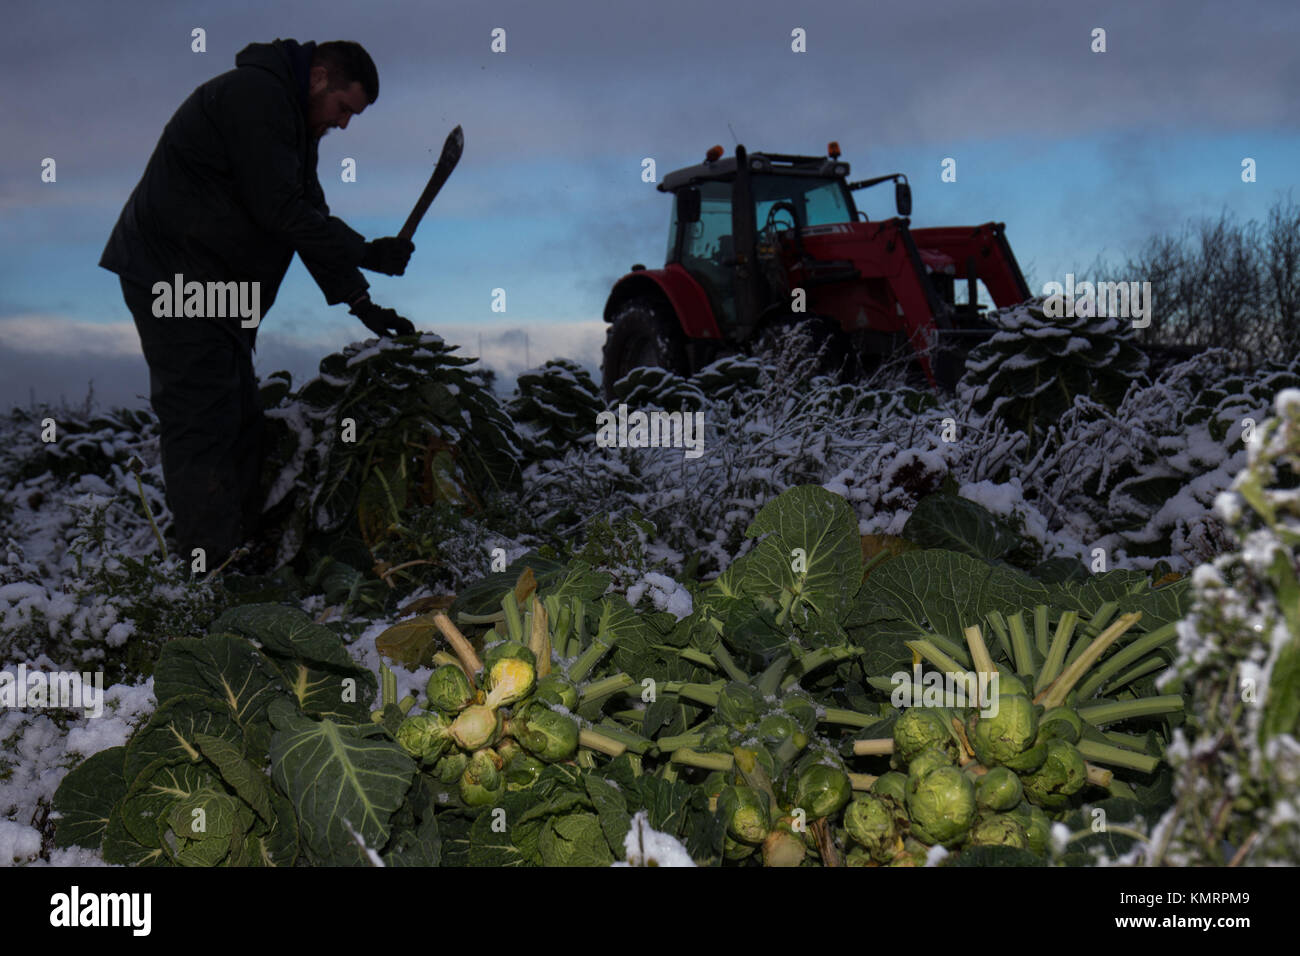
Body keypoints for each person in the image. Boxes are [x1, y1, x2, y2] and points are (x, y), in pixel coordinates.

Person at [100, 38, 416, 572]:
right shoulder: (256, 97)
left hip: (217, 291)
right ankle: (207, 576)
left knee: (241, 420)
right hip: (174, 275)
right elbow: (282, 210)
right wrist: (365, 250)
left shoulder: (292, 124)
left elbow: (307, 217)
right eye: (344, 109)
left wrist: (364, 302)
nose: (343, 125)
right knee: (204, 421)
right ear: (318, 77)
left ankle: (235, 557)